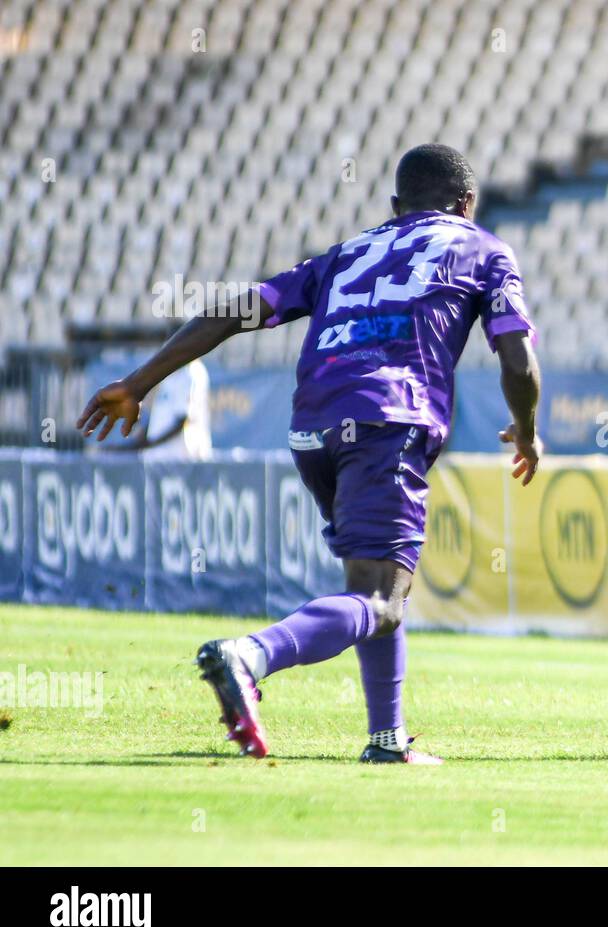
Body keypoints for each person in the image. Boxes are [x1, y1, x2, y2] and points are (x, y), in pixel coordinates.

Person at [78, 144, 543, 764]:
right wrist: (528, 429)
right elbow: (517, 356)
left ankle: (387, 740)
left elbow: (237, 310)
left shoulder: (346, 253)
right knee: (381, 596)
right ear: (467, 203)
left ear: (395, 206)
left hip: (312, 430)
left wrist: (138, 382)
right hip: (387, 421)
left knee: (375, 589)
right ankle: (250, 656)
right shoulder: (483, 248)